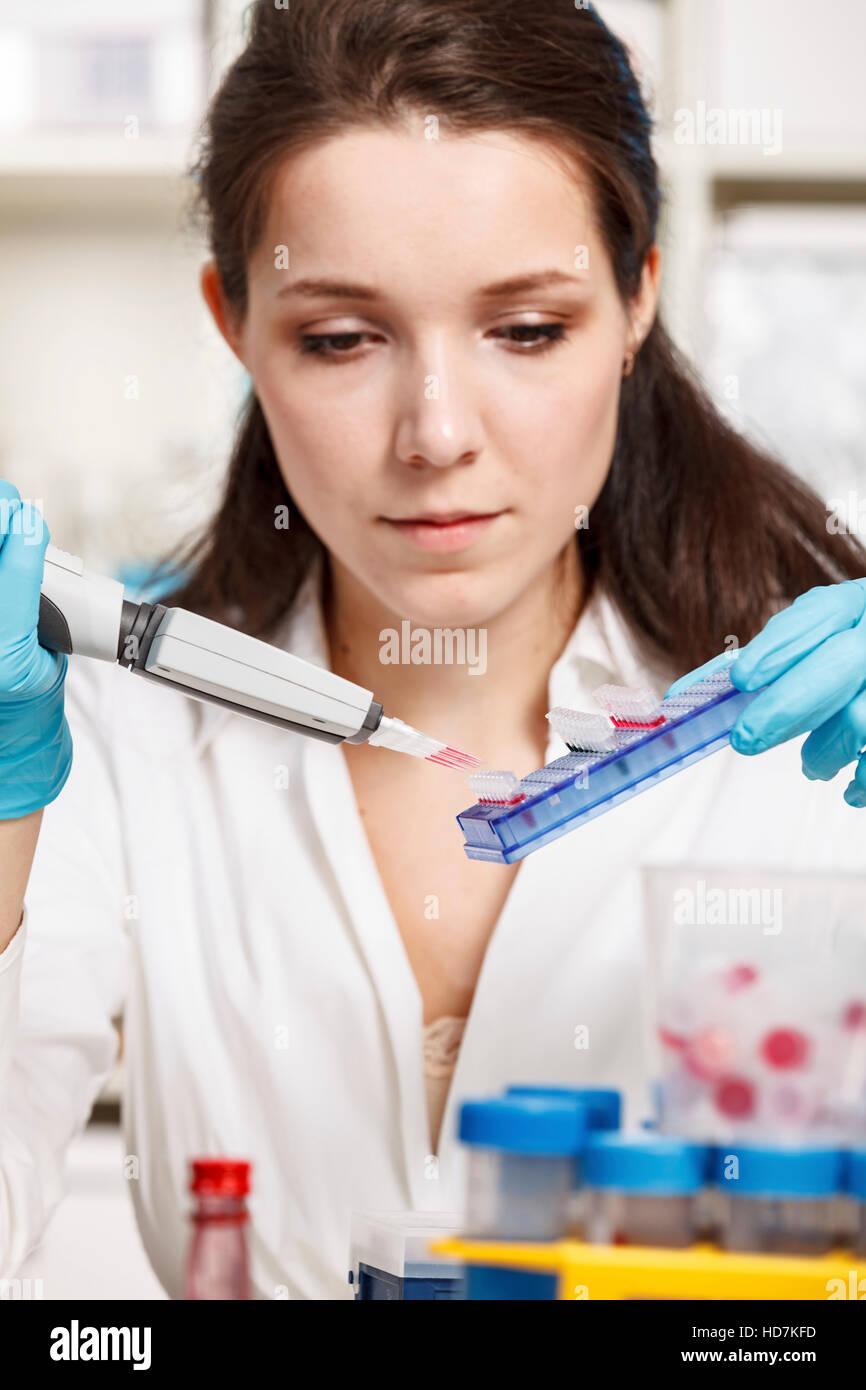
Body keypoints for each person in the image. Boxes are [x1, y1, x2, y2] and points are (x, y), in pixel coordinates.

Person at [0, 0, 864, 1301]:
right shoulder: (98, 749)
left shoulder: (809, 738)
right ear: (232, 322)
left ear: (636, 297)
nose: (436, 432)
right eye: (341, 337)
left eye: (525, 330)